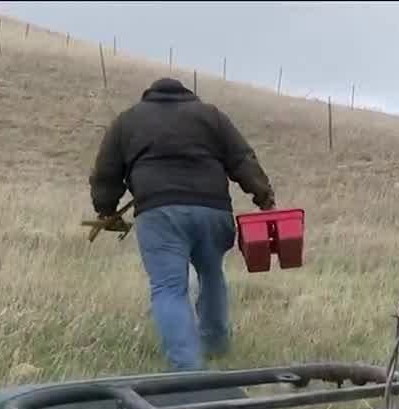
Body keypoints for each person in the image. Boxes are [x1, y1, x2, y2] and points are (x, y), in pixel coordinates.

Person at [89, 77, 275, 371]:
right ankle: (215, 345)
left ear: (149, 96)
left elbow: (106, 171)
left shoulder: (128, 121)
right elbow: (242, 159)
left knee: (168, 288)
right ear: (188, 95)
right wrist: (263, 197)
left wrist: (106, 209)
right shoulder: (210, 116)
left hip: (159, 213)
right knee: (212, 273)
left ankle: (187, 367)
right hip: (213, 211)